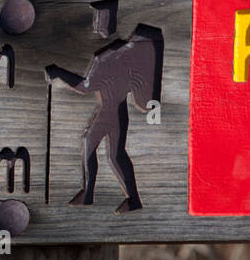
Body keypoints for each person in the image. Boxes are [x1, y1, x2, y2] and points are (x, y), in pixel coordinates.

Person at [45, 24, 163, 213]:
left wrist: (58, 72)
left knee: (95, 148)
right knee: (114, 154)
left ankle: (92, 194)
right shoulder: (126, 62)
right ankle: (124, 198)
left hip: (108, 112)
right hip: (119, 112)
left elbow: (85, 86)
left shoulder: (105, 60)